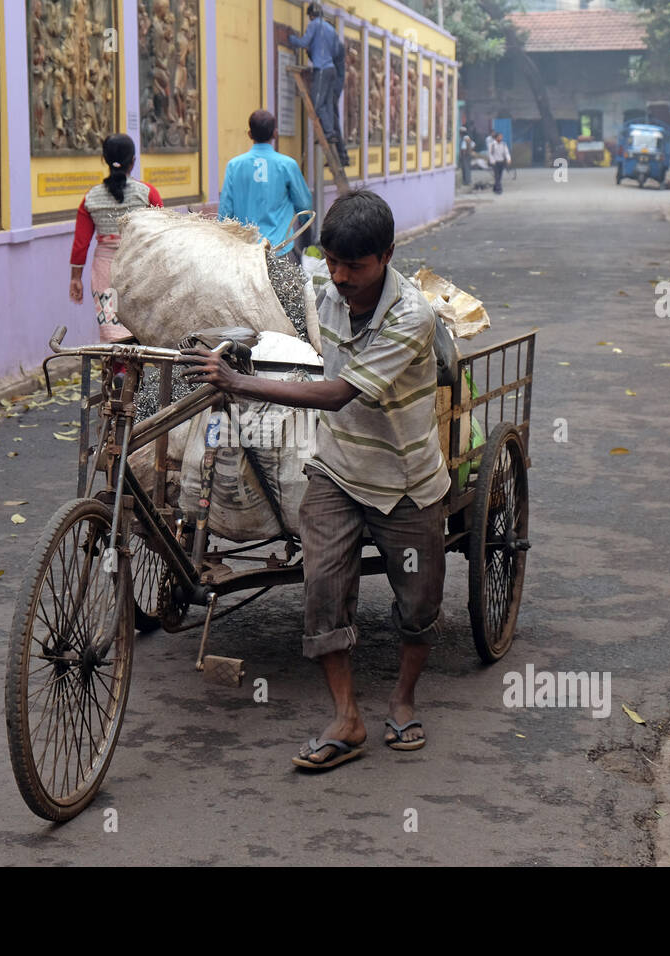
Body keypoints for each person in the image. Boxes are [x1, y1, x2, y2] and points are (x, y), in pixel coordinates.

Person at [184, 190, 447, 770]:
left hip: (406, 480)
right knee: (322, 589)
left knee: (418, 606)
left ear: (387, 256)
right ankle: (347, 717)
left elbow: (336, 392)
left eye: (355, 266)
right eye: (331, 262)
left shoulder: (413, 316)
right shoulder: (325, 294)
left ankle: (402, 700)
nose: (340, 276)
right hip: (335, 470)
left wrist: (239, 383)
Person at [69, 133, 163, 342]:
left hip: (105, 269)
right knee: (140, 323)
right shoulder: (147, 193)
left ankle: (117, 370)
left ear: (104, 160)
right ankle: (134, 369)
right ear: (133, 162)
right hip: (140, 267)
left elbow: (80, 244)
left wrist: (75, 278)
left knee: (111, 324)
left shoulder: (91, 198)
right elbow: (163, 235)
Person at [219, 110, 314, 264]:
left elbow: (225, 213)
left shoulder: (234, 166)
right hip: (279, 250)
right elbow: (304, 206)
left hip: (245, 253)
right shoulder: (287, 165)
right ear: (275, 134)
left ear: (249, 134)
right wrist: (306, 223)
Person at [289, 2, 350, 167]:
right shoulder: (331, 30)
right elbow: (336, 51)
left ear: (311, 15)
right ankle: (334, 141)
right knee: (328, 105)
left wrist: (292, 39)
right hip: (331, 70)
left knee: (316, 103)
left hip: (322, 69)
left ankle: (329, 133)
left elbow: (304, 42)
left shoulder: (314, 25)